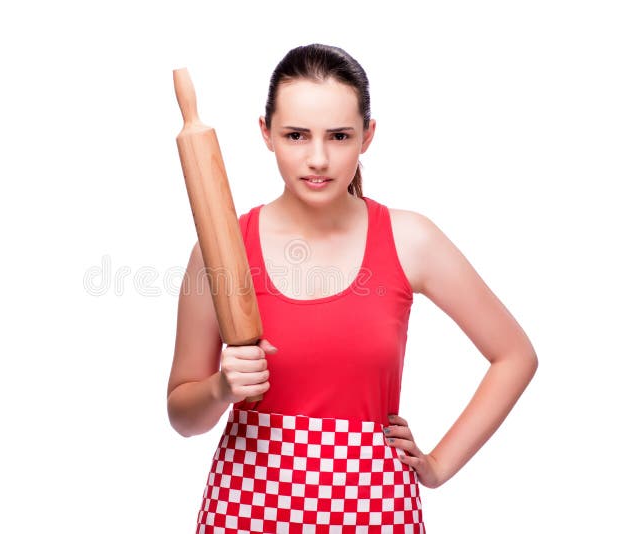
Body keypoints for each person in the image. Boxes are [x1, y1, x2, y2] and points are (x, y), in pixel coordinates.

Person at [167, 43, 537, 533]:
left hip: (375, 508)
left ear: (367, 136)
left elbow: (514, 356)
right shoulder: (220, 249)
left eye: (338, 136)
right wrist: (219, 389)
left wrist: (439, 465)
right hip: (247, 508)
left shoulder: (410, 240)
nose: (317, 158)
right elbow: (182, 415)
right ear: (266, 134)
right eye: (296, 135)